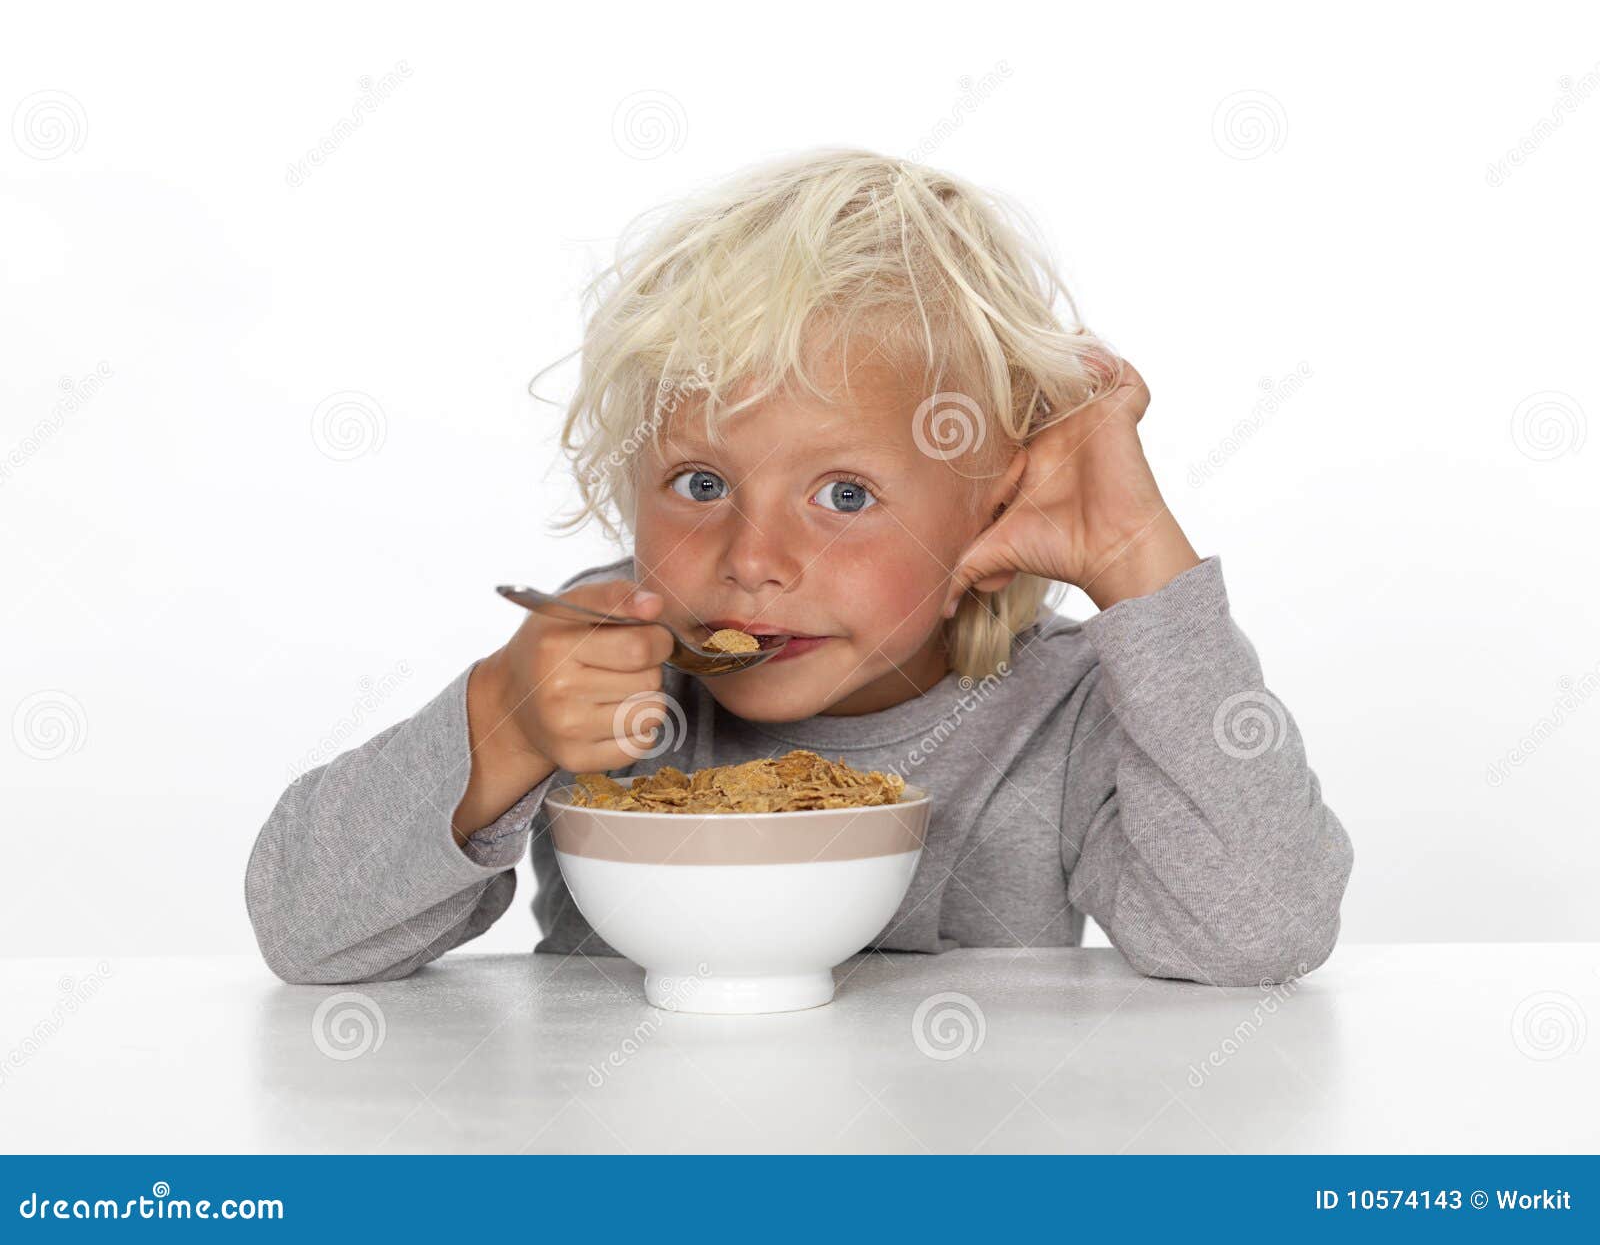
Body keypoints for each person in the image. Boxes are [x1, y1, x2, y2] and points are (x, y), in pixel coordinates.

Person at [245, 147, 1353, 987]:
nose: (754, 562)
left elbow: (1259, 935)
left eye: (845, 495)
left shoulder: (1069, 713)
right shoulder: (596, 676)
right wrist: (503, 727)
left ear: (997, 494)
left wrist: (1137, 566)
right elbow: (304, 932)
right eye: (699, 483)